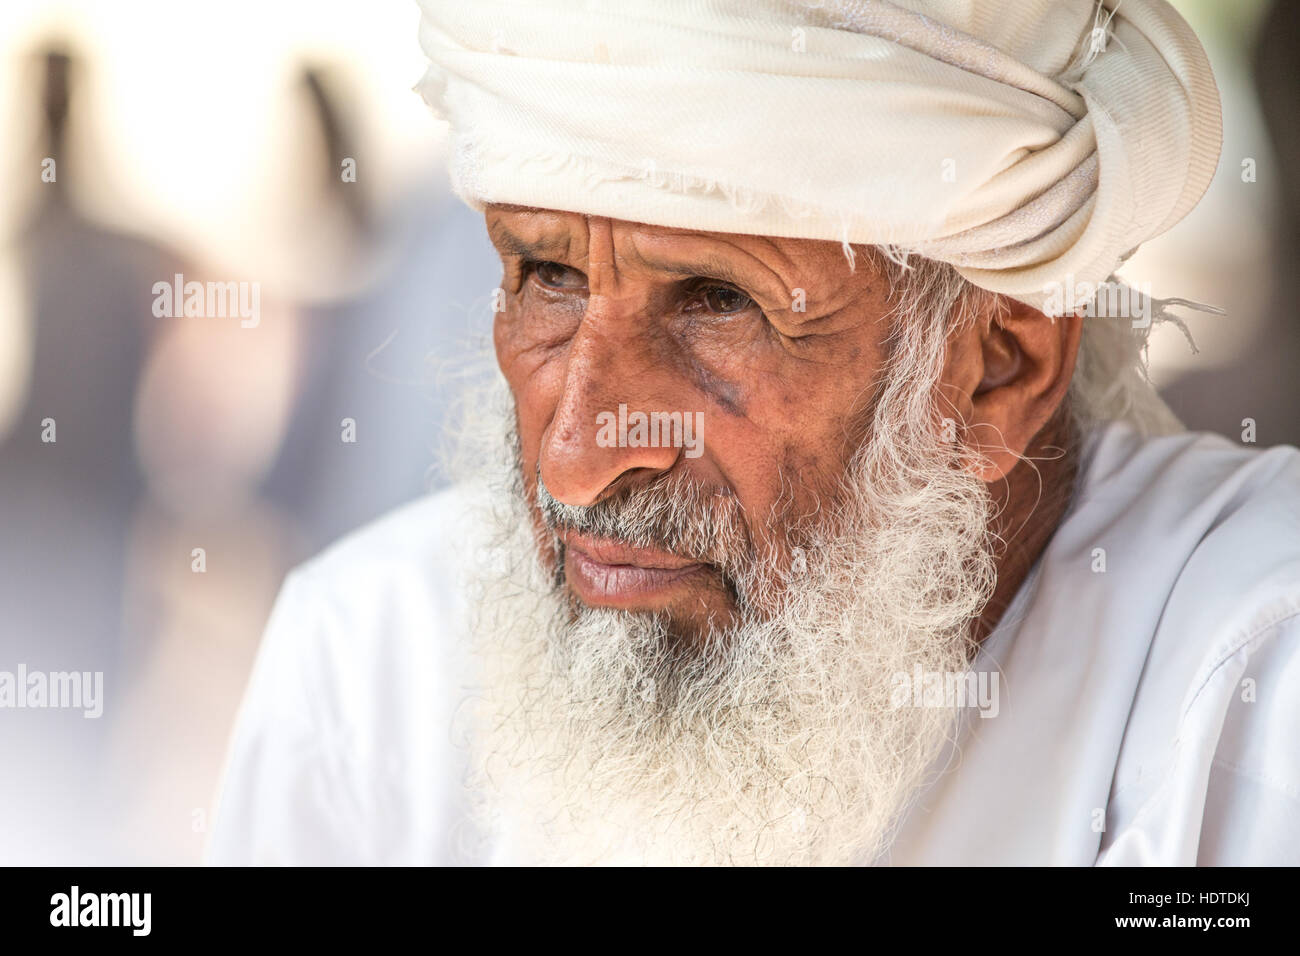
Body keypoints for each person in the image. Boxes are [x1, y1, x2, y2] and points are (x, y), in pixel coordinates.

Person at [206, 0, 1300, 865]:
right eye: (547, 275)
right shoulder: (365, 662)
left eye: (717, 302)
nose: (576, 453)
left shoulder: (1250, 685)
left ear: (994, 368)